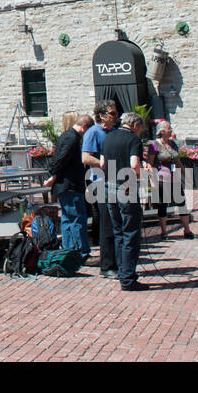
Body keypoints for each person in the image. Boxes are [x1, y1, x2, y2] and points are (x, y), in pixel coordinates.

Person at [101, 112, 147, 291]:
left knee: (118, 232)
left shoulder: (109, 137)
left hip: (108, 187)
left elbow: (103, 163)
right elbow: (135, 165)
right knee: (130, 233)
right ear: (135, 125)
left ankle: (122, 273)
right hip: (126, 188)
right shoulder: (133, 140)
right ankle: (128, 278)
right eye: (140, 130)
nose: (140, 133)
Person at [42, 113, 91, 257]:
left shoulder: (65, 135)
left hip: (65, 185)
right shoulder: (73, 138)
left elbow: (57, 157)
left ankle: (69, 250)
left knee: (67, 218)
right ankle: (81, 252)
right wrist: (53, 174)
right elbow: (61, 159)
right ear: (84, 127)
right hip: (70, 184)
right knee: (77, 218)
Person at [83, 101, 118, 277]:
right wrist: (104, 164)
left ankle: (116, 260)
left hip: (116, 182)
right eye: (112, 113)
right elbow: (86, 158)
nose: (116, 116)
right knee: (105, 224)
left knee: (115, 222)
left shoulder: (114, 132)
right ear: (102, 115)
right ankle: (106, 265)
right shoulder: (92, 133)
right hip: (99, 182)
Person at [145, 121, 194, 239]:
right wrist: (152, 181)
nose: (171, 130)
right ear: (161, 131)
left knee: (182, 204)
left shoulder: (172, 144)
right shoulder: (154, 145)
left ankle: (187, 230)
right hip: (162, 179)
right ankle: (163, 231)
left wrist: (186, 176)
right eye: (168, 128)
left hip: (175, 179)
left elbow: (178, 162)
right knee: (162, 206)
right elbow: (150, 165)